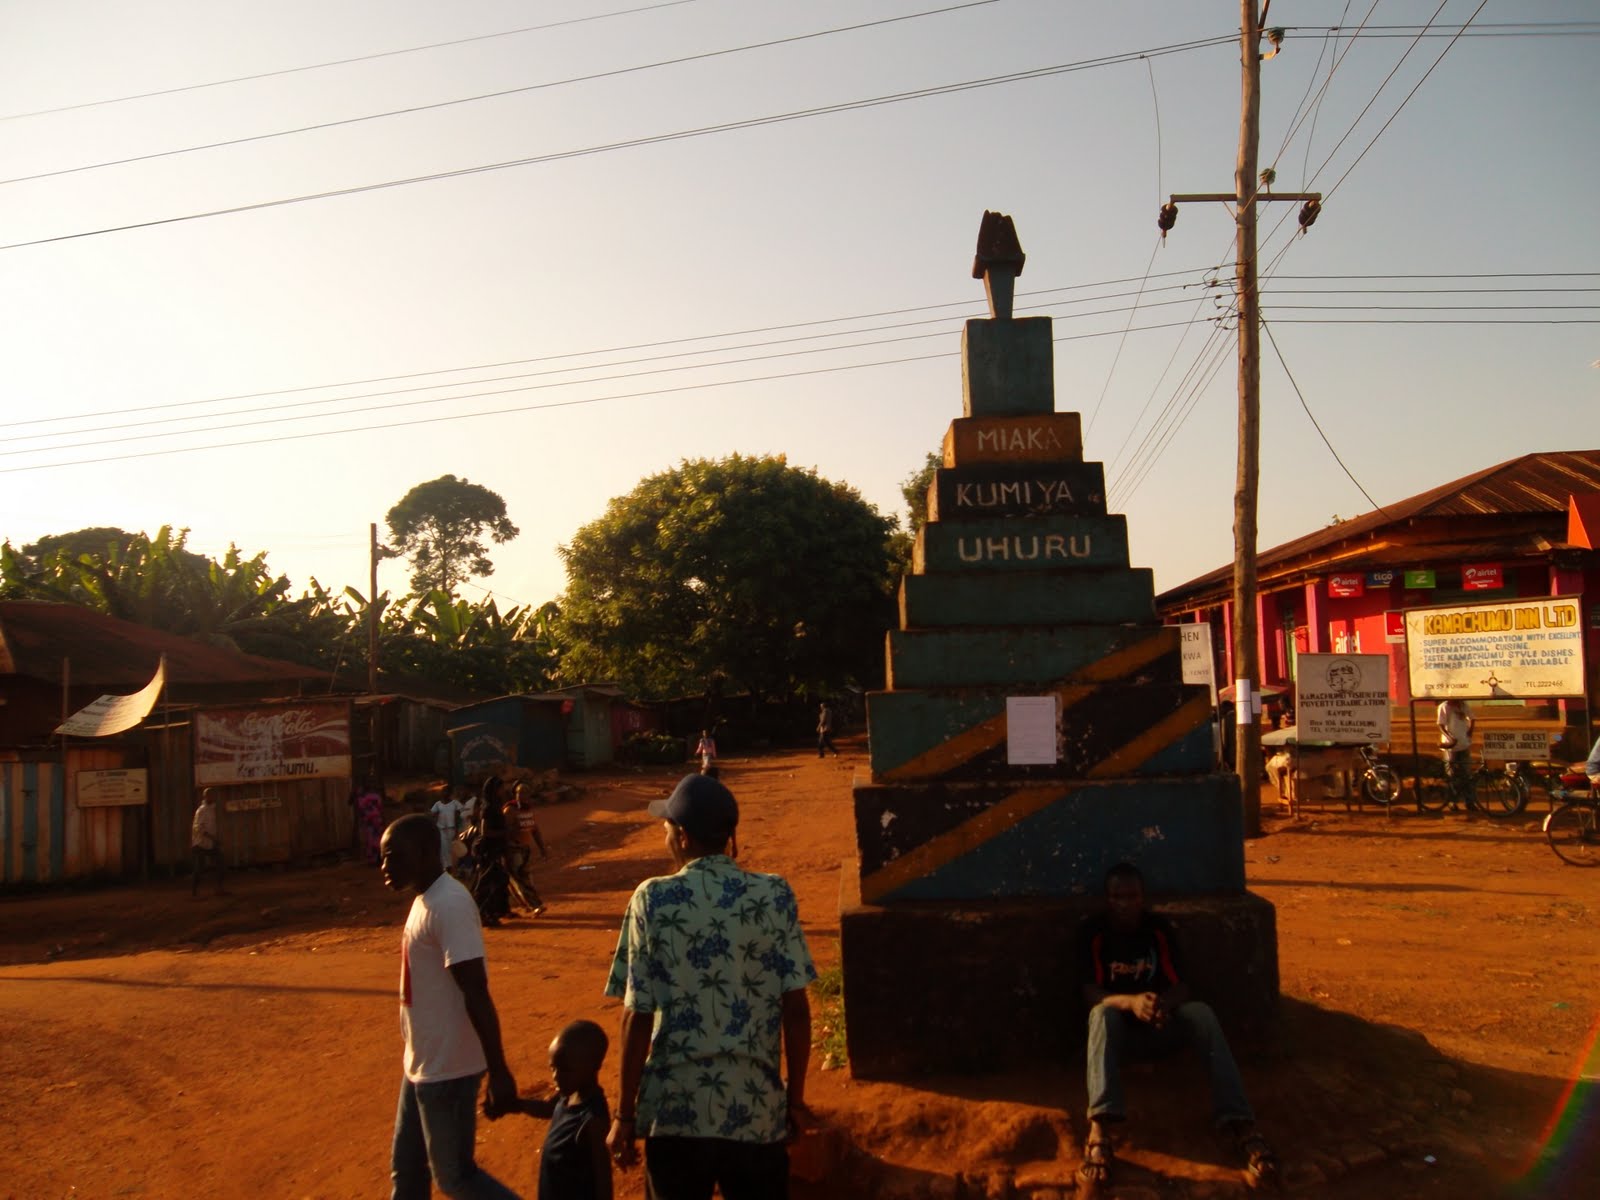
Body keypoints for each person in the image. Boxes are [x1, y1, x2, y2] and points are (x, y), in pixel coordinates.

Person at [604, 773, 816, 1199]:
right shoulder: (773, 894)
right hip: (756, 1112)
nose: (665, 837)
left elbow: (637, 1014)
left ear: (682, 837)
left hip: (677, 1113)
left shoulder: (652, 899)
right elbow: (795, 1008)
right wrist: (794, 1101)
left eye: (666, 828)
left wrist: (624, 1117)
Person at [1076, 862, 1276, 1195]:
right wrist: (1131, 1003)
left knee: (1201, 1013)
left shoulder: (1158, 931)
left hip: (1161, 1027)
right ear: (1108, 899)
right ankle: (1099, 1130)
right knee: (1100, 1015)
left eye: (1131, 896)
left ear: (1142, 898)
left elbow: (1182, 986)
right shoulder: (1095, 935)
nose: (1124, 903)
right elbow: (1090, 993)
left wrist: (1160, 1005)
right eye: (1117, 896)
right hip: (1118, 1038)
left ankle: (1240, 1122)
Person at [380, 813, 521, 1200]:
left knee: (455, 1177)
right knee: (407, 1173)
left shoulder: (449, 904)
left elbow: (476, 991)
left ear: (426, 852)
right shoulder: (426, 900)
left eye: (393, 856)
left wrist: (499, 1071)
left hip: (448, 1069)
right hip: (421, 1063)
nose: (384, 866)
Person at [508, 1020, 613, 1200]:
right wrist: (516, 1105)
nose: (556, 1076)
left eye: (565, 1070)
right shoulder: (568, 1095)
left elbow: (603, 1180)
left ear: (594, 1066)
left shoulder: (594, 1120)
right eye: (553, 1068)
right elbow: (547, 1108)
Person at [506, 781, 549, 914]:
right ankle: (535, 904)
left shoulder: (528, 809)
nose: (522, 795)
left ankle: (527, 904)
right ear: (515, 794)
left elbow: (535, 830)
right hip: (513, 849)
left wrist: (542, 848)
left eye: (525, 793)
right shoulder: (510, 810)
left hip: (524, 849)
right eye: (520, 792)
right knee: (521, 878)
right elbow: (505, 830)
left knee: (519, 878)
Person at [1437, 698, 1475, 808]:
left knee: (1467, 774)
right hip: (1450, 746)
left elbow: (1472, 718)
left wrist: (1470, 732)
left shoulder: (1464, 705)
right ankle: (1452, 802)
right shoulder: (1444, 707)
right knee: (1451, 775)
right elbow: (1441, 725)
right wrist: (1450, 737)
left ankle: (1469, 802)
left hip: (1464, 744)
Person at [190, 788, 226, 897]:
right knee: (199, 868)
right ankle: (194, 892)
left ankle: (218, 889)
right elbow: (199, 828)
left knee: (220, 863)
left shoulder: (211, 809)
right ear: (205, 797)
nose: (212, 797)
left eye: (213, 795)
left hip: (210, 843)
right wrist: (213, 838)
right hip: (200, 843)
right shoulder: (201, 810)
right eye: (210, 795)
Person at [431, 788, 466, 873]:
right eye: (444, 792)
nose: (445, 794)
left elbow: (458, 817)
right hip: (441, 829)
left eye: (447, 792)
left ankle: (454, 868)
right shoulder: (438, 804)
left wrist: (457, 830)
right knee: (444, 849)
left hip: (451, 829)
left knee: (452, 849)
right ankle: (447, 868)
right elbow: (433, 815)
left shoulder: (455, 803)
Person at [356, 779, 387, 866]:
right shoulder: (374, 796)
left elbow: (361, 809)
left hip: (371, 820)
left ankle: (375, 858)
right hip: (373, 820)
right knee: (373, 839)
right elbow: (380, 808)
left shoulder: (362, 797)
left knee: (372, 839)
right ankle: (375, 858)